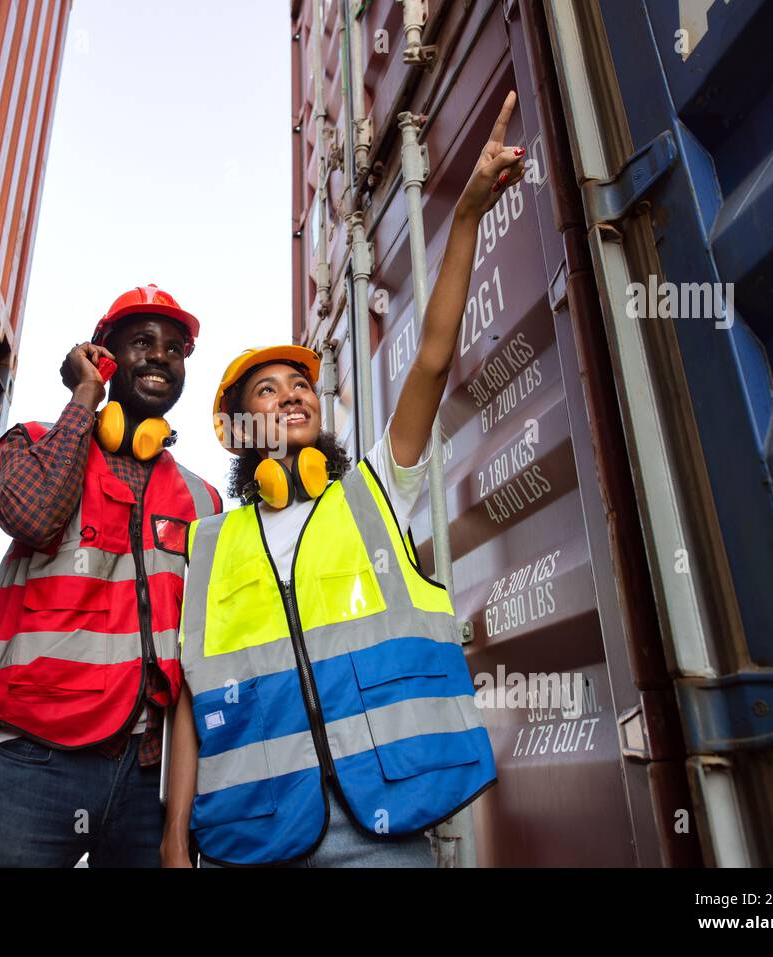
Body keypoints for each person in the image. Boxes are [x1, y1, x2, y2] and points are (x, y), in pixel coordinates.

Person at [161, 93, 527, 868]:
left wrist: (464, 219)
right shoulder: (210, 545)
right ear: (236, 427)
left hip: (383, 831)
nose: (293, 394)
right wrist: (173, 841)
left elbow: (431, 358)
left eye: (301, 386)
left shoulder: (370, 495)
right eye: (269, 389)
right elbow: (192, 703)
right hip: (255, 840)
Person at [0, 284, 222, 867]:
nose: (160, 356)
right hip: (37, 761)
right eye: (142, 342)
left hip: (148, 775)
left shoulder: (203, 501)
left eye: (175, 348)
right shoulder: (34, 443)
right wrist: (83, 396)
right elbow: (32, 515)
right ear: (103, 354)